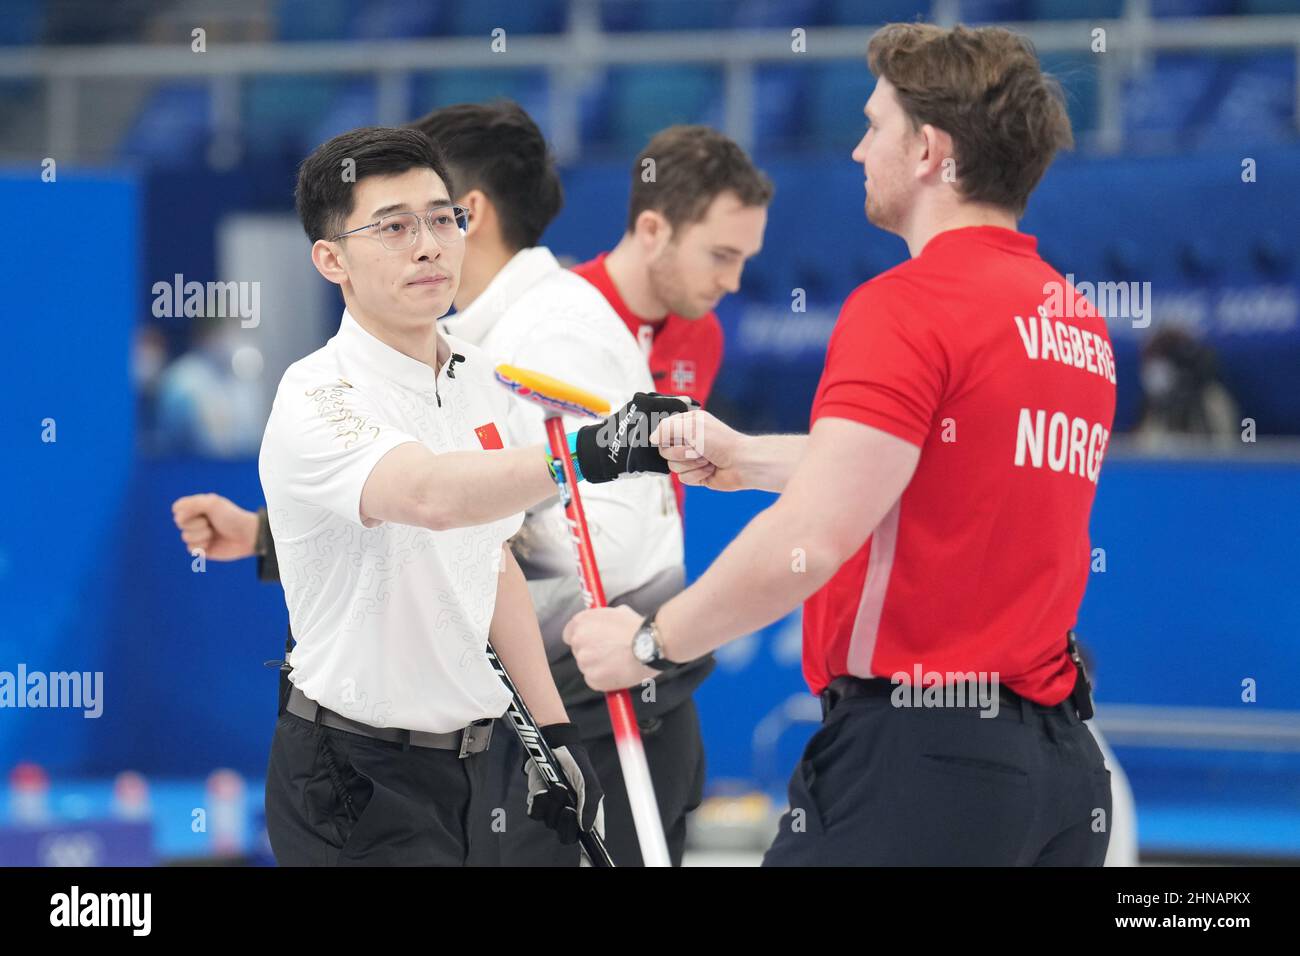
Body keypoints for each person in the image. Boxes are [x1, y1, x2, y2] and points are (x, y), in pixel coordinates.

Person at [564, 22, 1117, 866]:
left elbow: (813, 539)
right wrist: (749, 458)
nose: (859, 151)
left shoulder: (908, 305)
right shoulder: (1072, 318)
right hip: (1058, 775)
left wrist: (648, 644)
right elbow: (932, 468)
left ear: (930, 149)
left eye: (874, 126)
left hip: (917, 767)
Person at [256, 124, 691, 865]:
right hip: (348, 776)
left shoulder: (479, 374)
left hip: (467, 770)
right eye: (393, 227)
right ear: (332, 260)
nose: (429, 245)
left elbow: (489, 560)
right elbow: (429, 496)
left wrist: (554, 736)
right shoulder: (316, 394)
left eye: (442, 218)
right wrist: (590, 450)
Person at [412, 100, 702, 866]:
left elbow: (609, 546)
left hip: (604, 719)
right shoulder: (472, 339)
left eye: (417, 213)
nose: (405, 240)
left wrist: (473, 524)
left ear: (467, 213)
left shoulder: (553, 333)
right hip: (534, 716)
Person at [572, 125, 771, 522]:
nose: (732, 283)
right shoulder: (555, 316)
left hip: (659, 575)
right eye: (721, 255)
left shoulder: (703, 333)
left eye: (743, 260)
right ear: (652, 230)